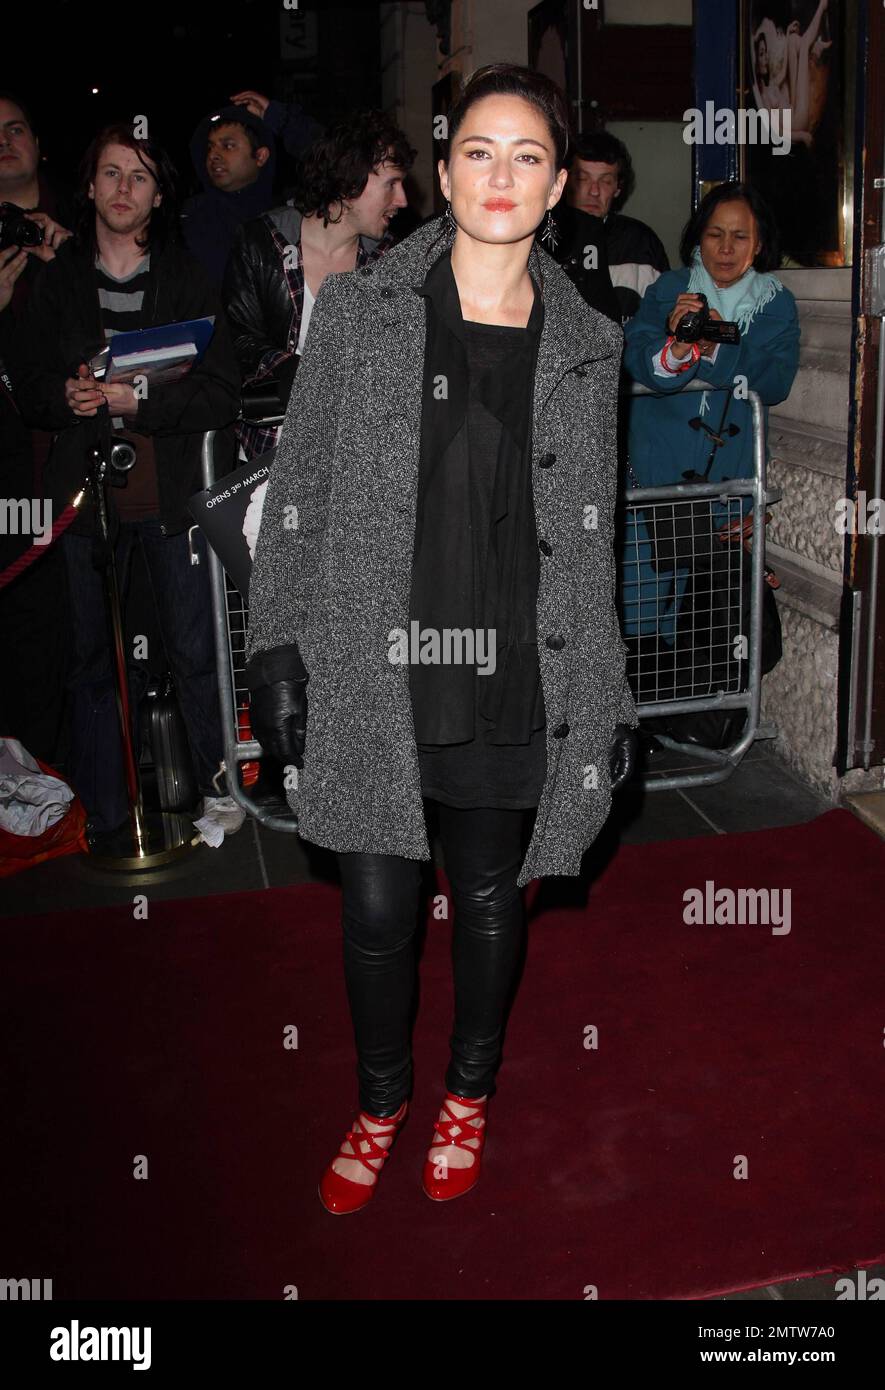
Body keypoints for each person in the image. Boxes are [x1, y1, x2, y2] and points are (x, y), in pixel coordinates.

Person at [244, 63, 639, 1214]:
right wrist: (276, 648)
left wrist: (606, 698)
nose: (501, 175)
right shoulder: (363, 310)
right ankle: (380, 1100)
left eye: (527, 156)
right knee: (373, 912)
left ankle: (468, 1090)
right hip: (378, 662)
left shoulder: (591, 339)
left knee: (485, 896)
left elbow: (595, 538)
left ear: (559, 183)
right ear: (443, 166)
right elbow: (302, 483)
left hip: (519, 661)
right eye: (478, 150)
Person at [10, 123, 241, 840]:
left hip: (168, 498)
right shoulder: (56, 280)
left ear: (158, 194)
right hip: (85, 503)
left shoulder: (186, 275)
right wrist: (68, 399)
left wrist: (138, 401)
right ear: (88, 186)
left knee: (194, 649)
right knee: (90, 659)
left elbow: (220, 392)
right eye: (110, 174)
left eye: (138, 177)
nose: (122, 189)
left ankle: (219, 793)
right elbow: (29, 385)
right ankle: (105, 811)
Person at [618, 181, 799, 711]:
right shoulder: (670, 288)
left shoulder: (775, 304)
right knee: (642, 605)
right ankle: (634, 720)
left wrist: (717, 340)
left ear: (759, 244)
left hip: (727, 488)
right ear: (698, 239)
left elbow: (775, 379)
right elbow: (639, 357)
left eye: (740, 236)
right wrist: (677, 346)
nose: (726, 247)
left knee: (702, 613)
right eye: (715, 234)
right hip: (656, 483)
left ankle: (690, 720)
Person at [223, 108, 413, 462]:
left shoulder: (390, 261)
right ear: (348, 181)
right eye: (391, 183)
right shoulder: (263, 244)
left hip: (357, 461)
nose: (402, 199)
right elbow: (239, 344)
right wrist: (309, 374)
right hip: (271, 456)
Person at [0, 92, 75, 765]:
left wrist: (68, 270)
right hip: (7, 465)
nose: (4, 142)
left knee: (72, 621)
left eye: (16, 128)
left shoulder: (76, 220)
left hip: (67, 458)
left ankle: (74, 771)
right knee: (20, 618)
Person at [181, 98, 318, 288]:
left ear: (260, 156)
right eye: (210, 147)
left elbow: (342, 167)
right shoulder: (187, 218)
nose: (213, 155)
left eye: (228, 146)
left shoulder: (291, 216)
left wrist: (282, 119)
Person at [565, 130, 669, 323]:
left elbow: (662, 324)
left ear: (618, 188)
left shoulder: (641, 243)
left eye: (605, 181)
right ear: (564, 181)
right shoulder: (544, 240)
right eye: (583, 179)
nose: (594, 191)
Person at [752, 0, 832, 147]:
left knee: (794, 41)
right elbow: (777, 131)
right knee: (803, 47)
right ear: (756, 64)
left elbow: (783, 72)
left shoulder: (773, 84)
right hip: (797, 120)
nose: (765, 59)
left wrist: (788, 36)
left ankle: (816, 48)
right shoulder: (764, 97)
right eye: (761, 55)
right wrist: (801, 136)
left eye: (765, 54)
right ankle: (822, 6)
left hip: (794, 106)